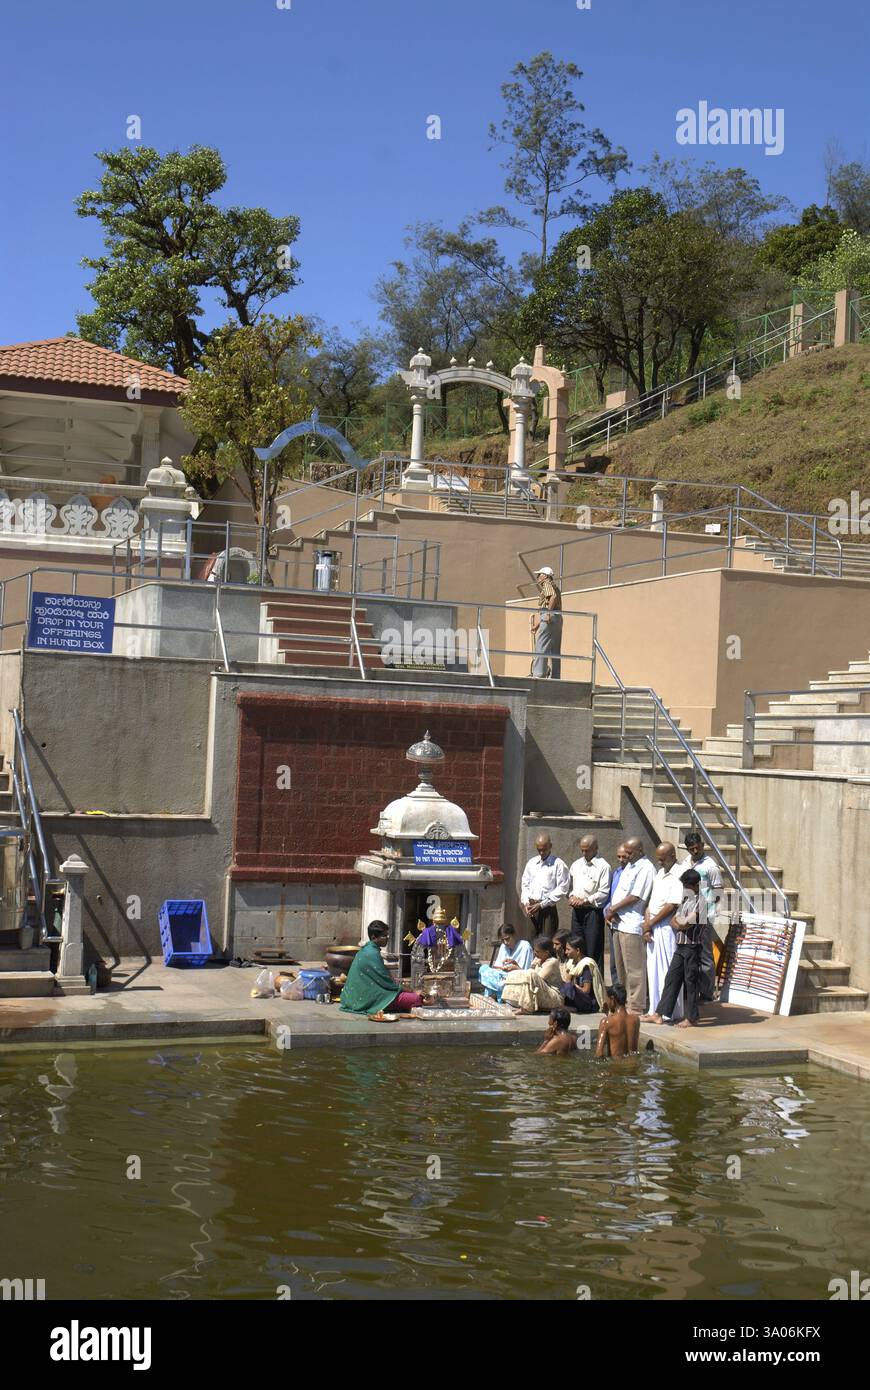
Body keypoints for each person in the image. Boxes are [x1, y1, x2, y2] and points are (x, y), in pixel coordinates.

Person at [643, 869, 703, 1028]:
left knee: (691, 982)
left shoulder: (701, 902)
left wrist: (679, 922)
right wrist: (679, 922)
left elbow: (684, 923)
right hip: (681, 945)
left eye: (687, 885)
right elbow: (674, 921)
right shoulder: (686, 899)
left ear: (696, 885)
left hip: (692, 946)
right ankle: (659, 1013)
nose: (685, 888)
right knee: (671, 978)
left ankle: (691, 1017)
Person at [604, 837, 654, 1013]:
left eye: (630, 853)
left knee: (635, 970)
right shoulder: (630, 867)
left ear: (640, 850)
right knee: (621, 969)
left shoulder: (646, 868)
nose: (627, 855)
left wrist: (613, 909)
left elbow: (635, 896)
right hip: (618, 923)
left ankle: (636, 1006)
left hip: (632, 924)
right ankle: (622, 1004)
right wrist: (612, 912)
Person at [340, 921, 425, 1014]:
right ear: (373, 937)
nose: (387, 938)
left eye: (388, 935)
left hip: (355, 998)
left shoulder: (367, 950)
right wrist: (412, 991)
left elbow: (384, 978)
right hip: (369, 998)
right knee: (416, 999)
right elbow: (386, 982)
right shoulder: (372, 953)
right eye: (384, 936)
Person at [643, 842, 685, 1021]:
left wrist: (651, 922)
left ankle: (669, 1012)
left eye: (663, 859)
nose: (659, 863)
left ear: (673, 856)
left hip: (667, 927)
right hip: (653, 927)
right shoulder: (660, 873)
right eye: (658, 859)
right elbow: (651, 902)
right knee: (653, 970)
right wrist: (647, 924)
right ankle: (654, 1010)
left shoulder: (679, 874)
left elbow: (672, 905)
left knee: (668, 969)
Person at [681, 832, 724, 1001]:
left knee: (705, 956)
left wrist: (705, 909)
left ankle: (707, 992)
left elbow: (718, 891)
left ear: (703, 844)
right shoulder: (686, 862)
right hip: (687, 914)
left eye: (697, 847)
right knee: (690, 954)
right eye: (691, 848)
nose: (695, 850)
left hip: (702, 916)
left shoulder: (710, 866)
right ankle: (691, 990)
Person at [567, 834, 611, 972]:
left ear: (596, 848)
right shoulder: (576, 864)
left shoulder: (603, 867)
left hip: (593, 912)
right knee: (577, 947)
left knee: (593, 950)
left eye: (588, 850)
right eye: (582, 850)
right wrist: (572, 897)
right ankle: (579, 983)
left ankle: (594, 987)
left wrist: (586, 900)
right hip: (577, 911)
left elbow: (604, 892)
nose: (584, 853)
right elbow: (569, 887)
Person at [520, 833, 569, 938]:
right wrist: (525, 902)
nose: (541, 852)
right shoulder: (531, 863)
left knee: (546, 942)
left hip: (547, 909)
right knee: (531, 940)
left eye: (544, 849)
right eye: (539, 849)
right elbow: (525, 883)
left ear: (550, 846)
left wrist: (542, 904)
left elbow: (562, 888)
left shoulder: (558, 864)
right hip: (532, 907)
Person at [501, 935, 564, 1014]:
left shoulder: (552, 962)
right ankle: (516, 1002)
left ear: (546, 952)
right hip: (544, 993)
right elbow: (528, 976)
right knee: (514, 973)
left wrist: (530, 969)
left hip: (555, 998)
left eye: (537, 951)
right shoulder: (538, 959)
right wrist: (517, 969)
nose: (535, 953)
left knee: (531, 974)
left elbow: (536, 978)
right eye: (534, 950)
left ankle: (526, 1008)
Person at [478, 923, 533, 1001]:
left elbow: (527, 972)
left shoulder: (525, 946)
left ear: (514, 935)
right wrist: (502, 968)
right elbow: (497, 966)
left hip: (516, 978)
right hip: (502, 976)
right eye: (502, 940)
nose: (505, 942)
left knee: (500, 980)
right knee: (483, 968)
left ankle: (494, 994)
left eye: (507, 939)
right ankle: (497, 992)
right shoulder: (503, 946)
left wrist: (515, 968)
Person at [559, 932, 606, 1014]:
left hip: (588, 1003)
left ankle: (572, 1008)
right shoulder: (571, 963)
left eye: (568, 949)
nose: (566, 952)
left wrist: (574, 985)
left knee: (568, 986)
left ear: (577, 950)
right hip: (577, 998)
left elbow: (586, 990)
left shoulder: (585, 965)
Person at [604, 842, 630, 982]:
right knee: (615, 959)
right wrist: (607, 913)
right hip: (612, 920)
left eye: (624, 856)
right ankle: (617, 990)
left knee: (626, 961)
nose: (621, 860)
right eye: (618, 857)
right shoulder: (616, 873)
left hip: (624, 921)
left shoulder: (634, 873)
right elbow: (610, 898)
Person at [531, 566, 562, 679]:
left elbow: (552, 597)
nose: (538, 577)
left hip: (550, 615)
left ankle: (538, 674)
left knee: (541, 645)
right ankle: (555, 676)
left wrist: (548, 613)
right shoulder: (555, 586)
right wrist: (538, 625)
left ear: (545, 576)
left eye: (539, 575)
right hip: (557, 617)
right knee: (555, 649)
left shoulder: (547, 584)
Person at [595, 982, 641, 1058]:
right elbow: (634, 1051)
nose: (607, 1002)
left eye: (608, 999)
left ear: (612, 999)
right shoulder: (636, 1020)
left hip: (616, 1068)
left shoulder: (606, 1022)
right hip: (633, 1067)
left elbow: (599, 1054)